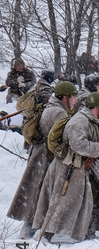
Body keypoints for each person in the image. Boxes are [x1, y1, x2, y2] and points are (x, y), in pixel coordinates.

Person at [32, 92, 99, 243]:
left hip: (80, 168)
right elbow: (78, 144)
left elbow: (96, 145)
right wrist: (95, 145)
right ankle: (45, 236)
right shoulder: (79, 122)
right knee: (62, 203)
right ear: (95, 108)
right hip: (68, 170)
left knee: (94, 198)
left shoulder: (89, 121)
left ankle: (88, 232)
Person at [7, 81, 77, 236]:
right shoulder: (59, 113)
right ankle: (32, 230)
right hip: (46, 157)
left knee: (35, 191)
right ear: (65, 97)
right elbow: (65, 137)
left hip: (40, 155)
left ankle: (31, 228)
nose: (75, 100)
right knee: (40, 192)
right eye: (73, 96)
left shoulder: (51, 107)